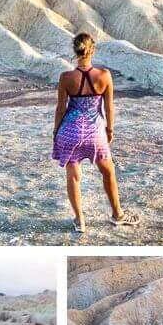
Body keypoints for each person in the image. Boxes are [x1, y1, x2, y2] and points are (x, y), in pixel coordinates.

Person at [52, 32, 140, 232]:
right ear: (92, 50)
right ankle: (118, 214)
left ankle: (80, 220)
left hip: (70, 131)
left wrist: (56, 132)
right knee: (108, 171)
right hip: (95, 132)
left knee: (73, 176)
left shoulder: (66, 77)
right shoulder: (104, 76)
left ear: (75, 51)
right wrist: (110, 129)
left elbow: (60, 109)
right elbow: (109, 107)